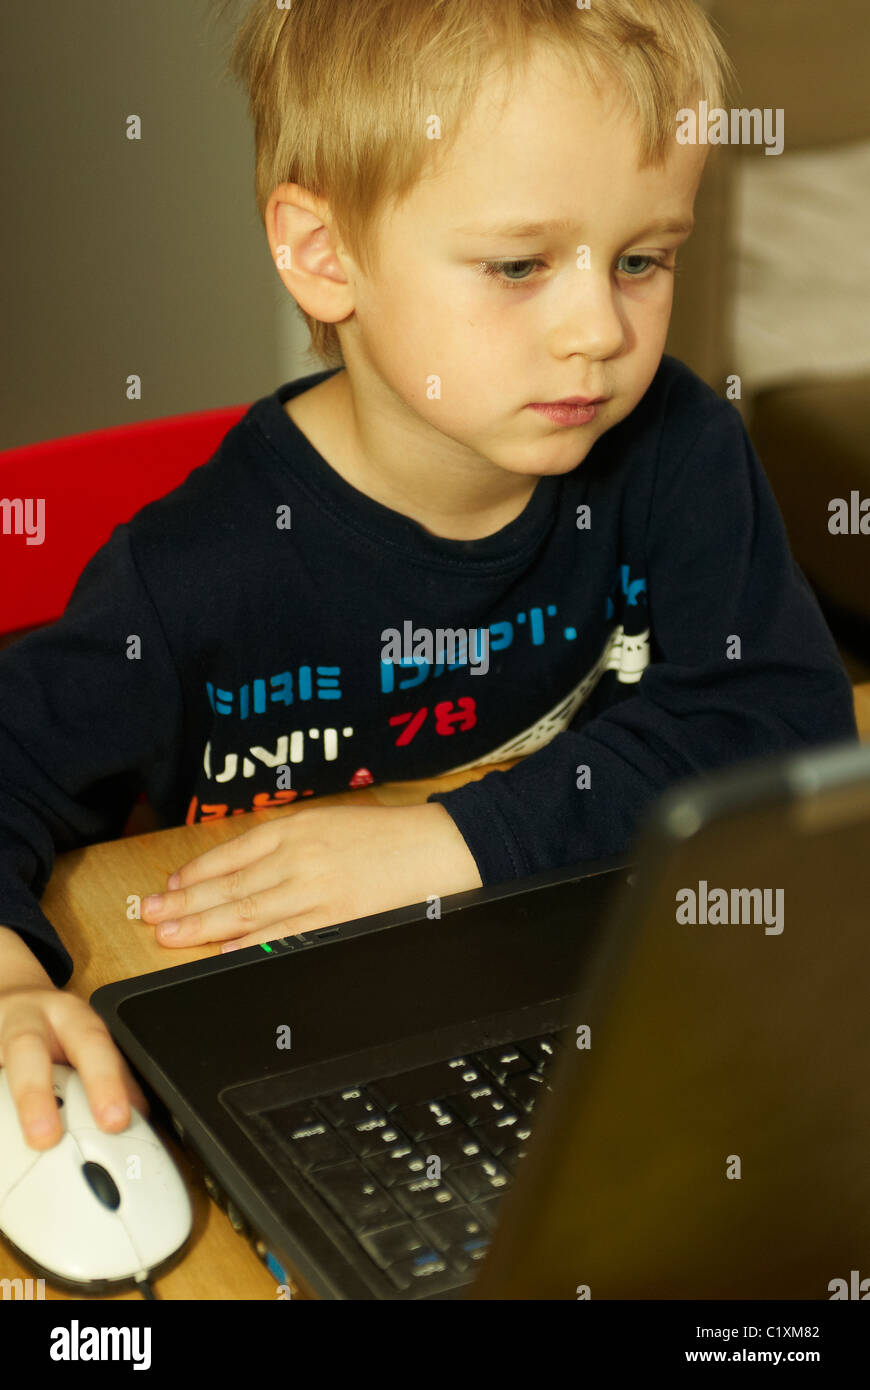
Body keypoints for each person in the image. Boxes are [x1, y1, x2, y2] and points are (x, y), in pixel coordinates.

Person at [0, 0, 857, 1151]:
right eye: (519, 265)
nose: (599, 329)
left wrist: (456, 839)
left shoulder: (680, 451)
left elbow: (782, 723)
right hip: (299, 1050)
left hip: (609, 1000)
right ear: (323, 256)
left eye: (643, 259)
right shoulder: (192, 575)